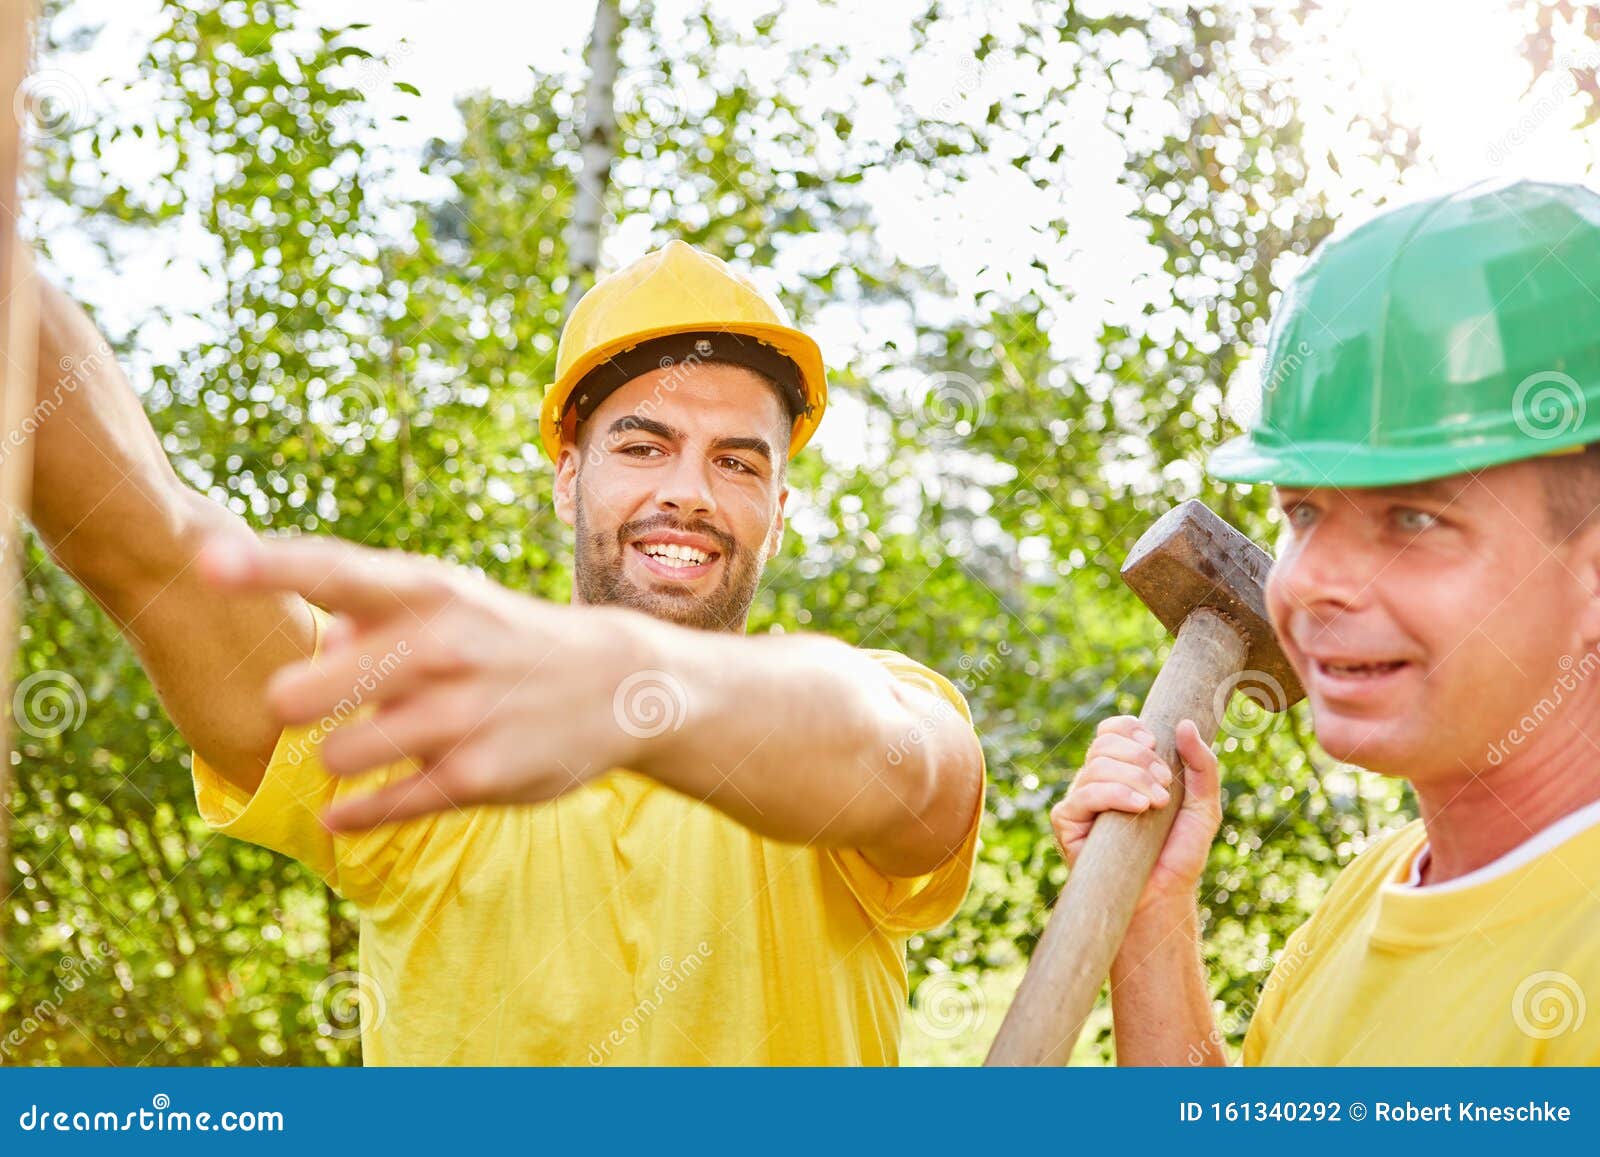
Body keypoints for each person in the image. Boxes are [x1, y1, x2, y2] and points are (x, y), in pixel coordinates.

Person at [30, 238, 986, 1064]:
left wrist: (628, 683)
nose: (689, 491)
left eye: (736, 461)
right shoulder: (421, 721)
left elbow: (906, 770)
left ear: (777, 515)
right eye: (644, 446)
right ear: (569, 478)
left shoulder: (875, 704)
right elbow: (140, 536)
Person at [1052, 179, 1600, 1065]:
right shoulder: (1373, 888)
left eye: (1414, 519)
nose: (1312, 584)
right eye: (1304, 511)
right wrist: (1149, 918)